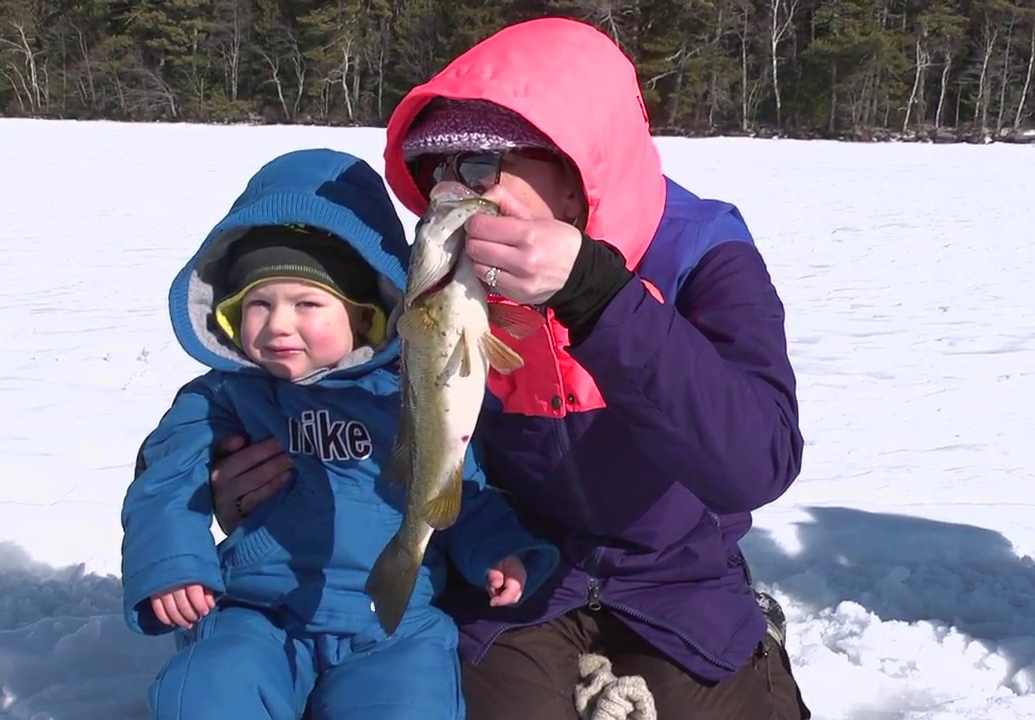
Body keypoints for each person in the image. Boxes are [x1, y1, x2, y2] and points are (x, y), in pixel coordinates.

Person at [204, 17, 812, 720]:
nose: (452, 192)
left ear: (576, 165)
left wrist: (598, 294)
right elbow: (366, 405)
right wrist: (265, 485)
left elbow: (755, 463)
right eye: (437, 169)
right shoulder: (442, 273)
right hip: (514, 569)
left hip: (682, 576)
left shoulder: (705, 254)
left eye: (481, 166)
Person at [121, 147, 560, 720]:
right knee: (207, 690)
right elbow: (166, 482)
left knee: (409, 705)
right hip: (258, 611)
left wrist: (501, 552)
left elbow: (456, 484)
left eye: (306, 303)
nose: (279, 324)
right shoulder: (225, 395)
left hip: (394, 626)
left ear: (363, 313)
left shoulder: (411, 389)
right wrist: (172, 564)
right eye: (259, 303)